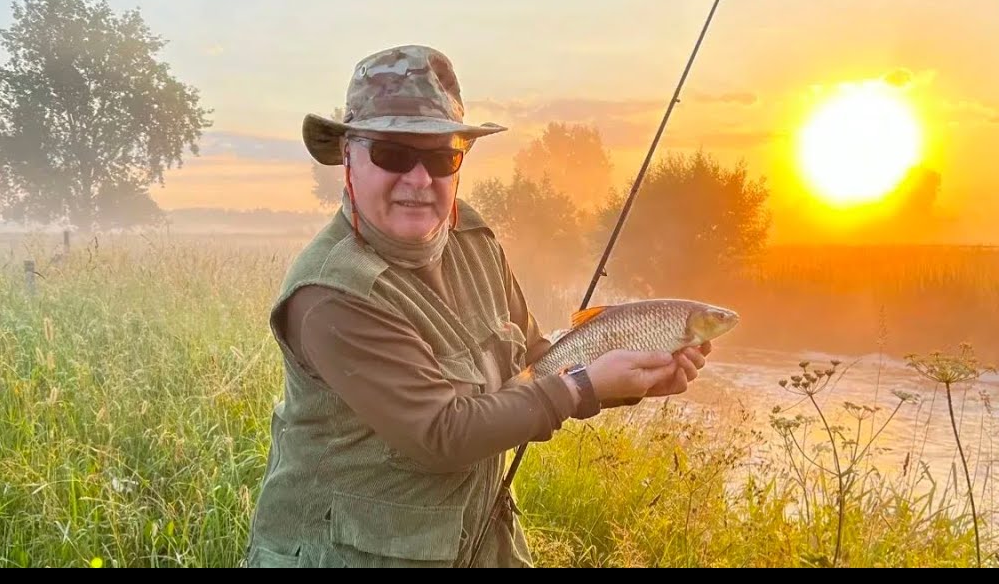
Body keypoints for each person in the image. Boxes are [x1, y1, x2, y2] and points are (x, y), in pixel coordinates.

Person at [243, 44, 712, 568]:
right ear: (348, 155)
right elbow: (442, 435)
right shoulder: (333, 295)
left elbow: (536, 360)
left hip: (473, 540)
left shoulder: (472, 237)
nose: (419, 180)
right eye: (391, 154)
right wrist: (584, 388)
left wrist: (634, 375)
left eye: (441, 157)